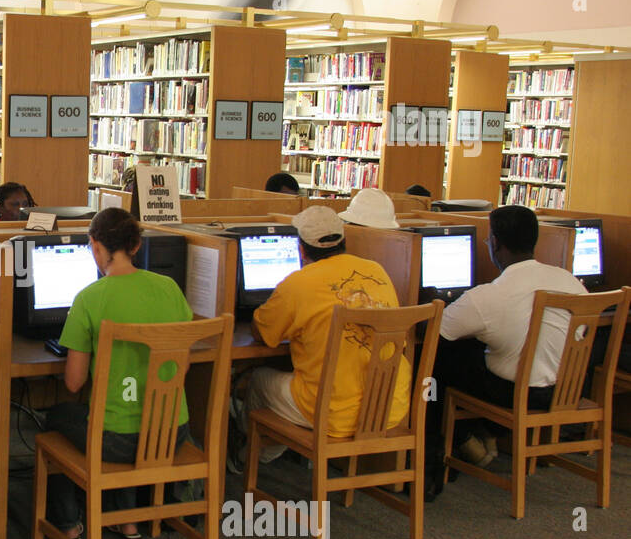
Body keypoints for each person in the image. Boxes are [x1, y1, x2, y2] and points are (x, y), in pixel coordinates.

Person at [45, 208, 194, 539]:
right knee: (109, 419)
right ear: (137, 245)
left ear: (95, 247)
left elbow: (73, 383)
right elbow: (182, 367)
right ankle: (126, 521)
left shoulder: (89, 299)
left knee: (56, 417)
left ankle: (69, 524)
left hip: (117, 440)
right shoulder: (169, 288)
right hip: (172, 432)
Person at [231, 206, 410, 469]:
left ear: (301, 251)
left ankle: (248, 458)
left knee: (258, 380)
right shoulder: (377, 271)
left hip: (333, 414)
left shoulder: (299, 283)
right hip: (388, 406)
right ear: (344, 241)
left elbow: (263, 334)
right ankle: (280, 450)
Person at [425, 205, 586, 496]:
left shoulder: (489, 296)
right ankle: (483, 435)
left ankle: (456, 441)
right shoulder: (569, 280)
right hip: (568, 389)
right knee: (477, 352)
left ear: (496, 244)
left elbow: (436, 330)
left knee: (438, 360)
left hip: (517, 394)